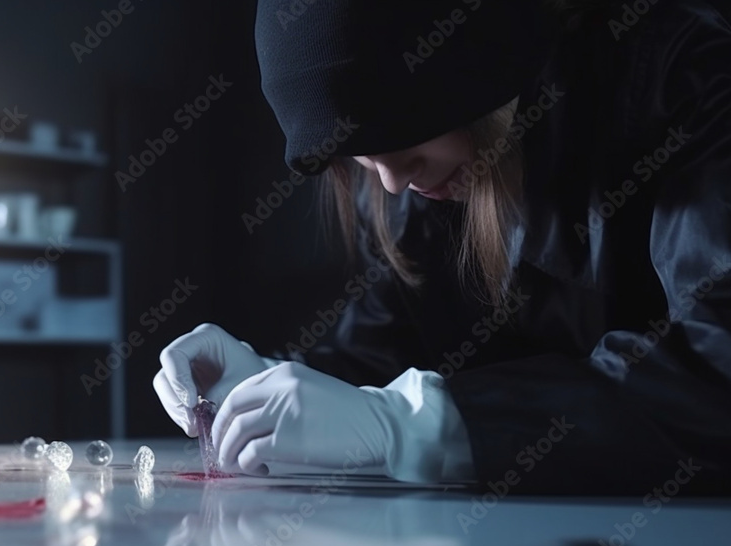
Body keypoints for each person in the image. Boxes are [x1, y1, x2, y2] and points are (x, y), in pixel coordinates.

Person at [153, 0, 731, 494]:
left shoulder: (688, 78)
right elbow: (382, 355)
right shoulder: (419, 181)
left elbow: (715, 368)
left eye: (397, 137)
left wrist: (419, 426)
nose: (390, 181)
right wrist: (260, 386)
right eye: (356, 151)